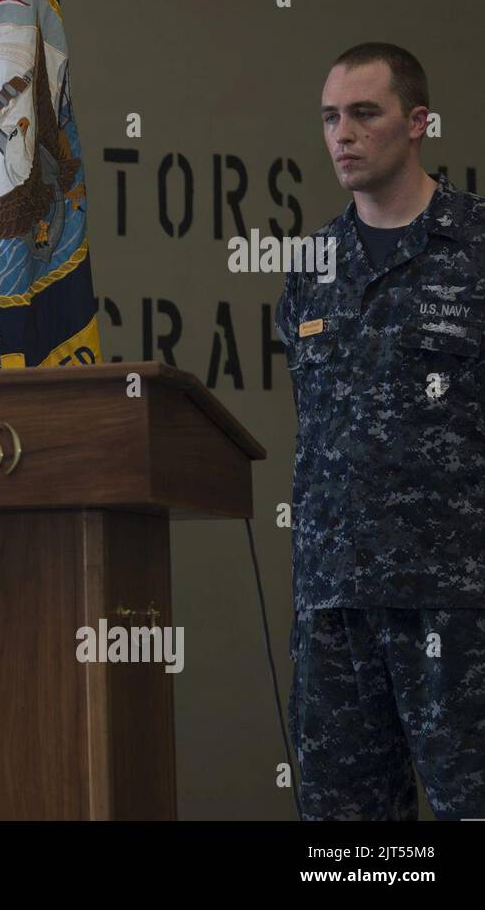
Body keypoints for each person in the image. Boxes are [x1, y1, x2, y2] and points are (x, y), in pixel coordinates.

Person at [276, 42, 485, 820]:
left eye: (365, 113)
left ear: (419, 121)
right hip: (335, 608)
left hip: (457, 605)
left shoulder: (476, 248)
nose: (343, 134)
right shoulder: (311, 266)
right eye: (331, 117)